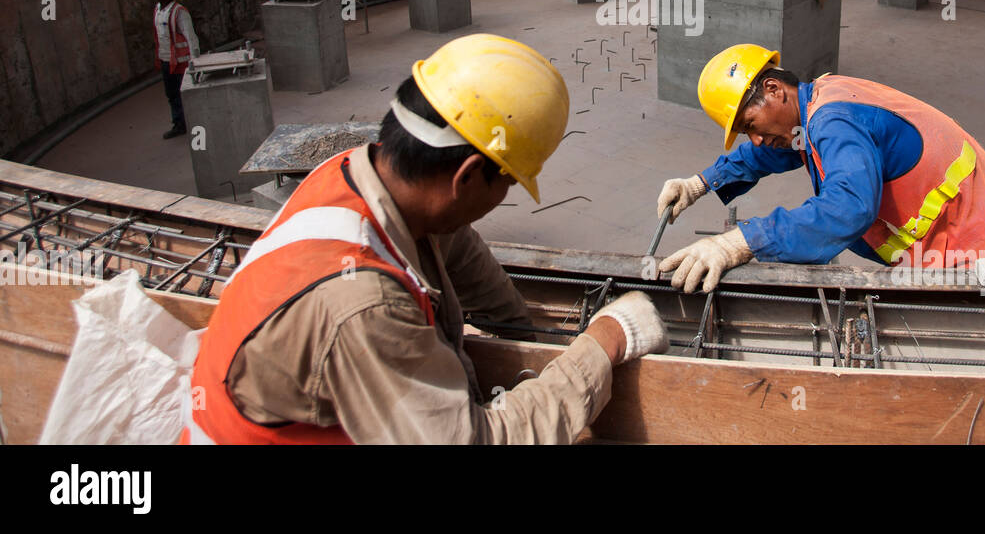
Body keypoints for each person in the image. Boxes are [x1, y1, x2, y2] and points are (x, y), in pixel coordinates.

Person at [184, 33, 667, 444]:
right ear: (469, 174)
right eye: (510, 182)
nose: (505, 196)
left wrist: (529, 339)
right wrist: (603, 343)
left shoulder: (361, 174)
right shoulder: (362, 305)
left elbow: (460, 248)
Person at [654, 45, 985, 293]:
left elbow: (849, 207)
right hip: (951, 238)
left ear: (774, 90)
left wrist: (740, 242)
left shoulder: (833, 120)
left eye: (750, 126)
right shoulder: (811, 107)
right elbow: (772, 153)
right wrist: (701, 183)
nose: (753, 139)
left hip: (971, 247)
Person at [154, 0, 199, 139]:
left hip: (182, 63)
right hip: (167, 61)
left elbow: (190, 37)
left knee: (185, 94)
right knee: (172, 94)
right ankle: (179, 124)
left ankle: (196, 123)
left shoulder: (179, 12)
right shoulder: (158, 10)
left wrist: (195, 61)